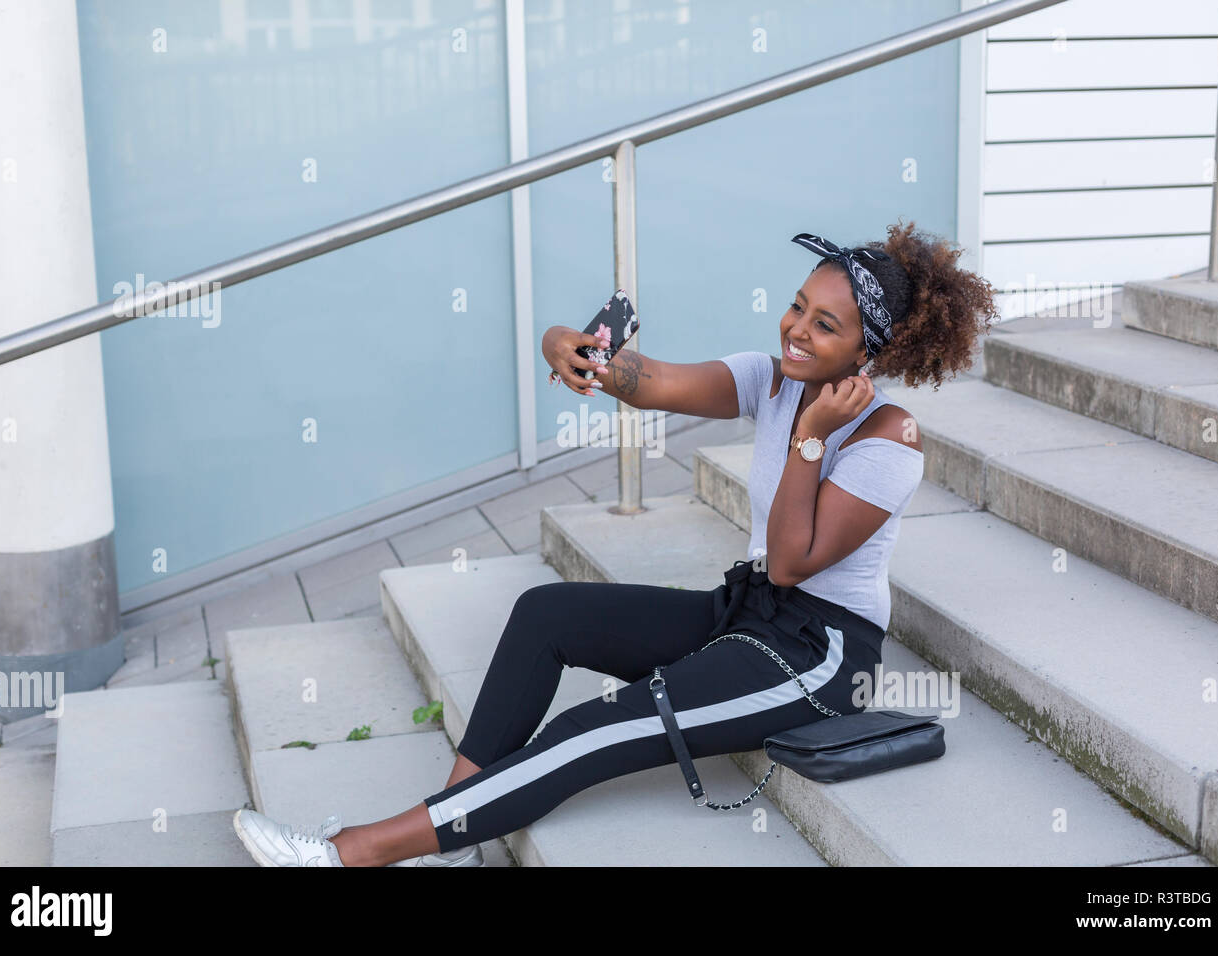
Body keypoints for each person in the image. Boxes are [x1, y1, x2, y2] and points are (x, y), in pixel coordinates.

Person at [231, 218, 998, 866]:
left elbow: (796, 558)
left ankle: (346, 856)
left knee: (594, 726)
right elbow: (648, 380)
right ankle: (461, 826)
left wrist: (808, 438)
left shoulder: (889, 437)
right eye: (798, 307)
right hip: (754, 611)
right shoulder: (772, 378)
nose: (796, 329)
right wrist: (565, 343)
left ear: (873, 350)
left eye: (824, 325)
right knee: (546, 615)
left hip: (819, 657)